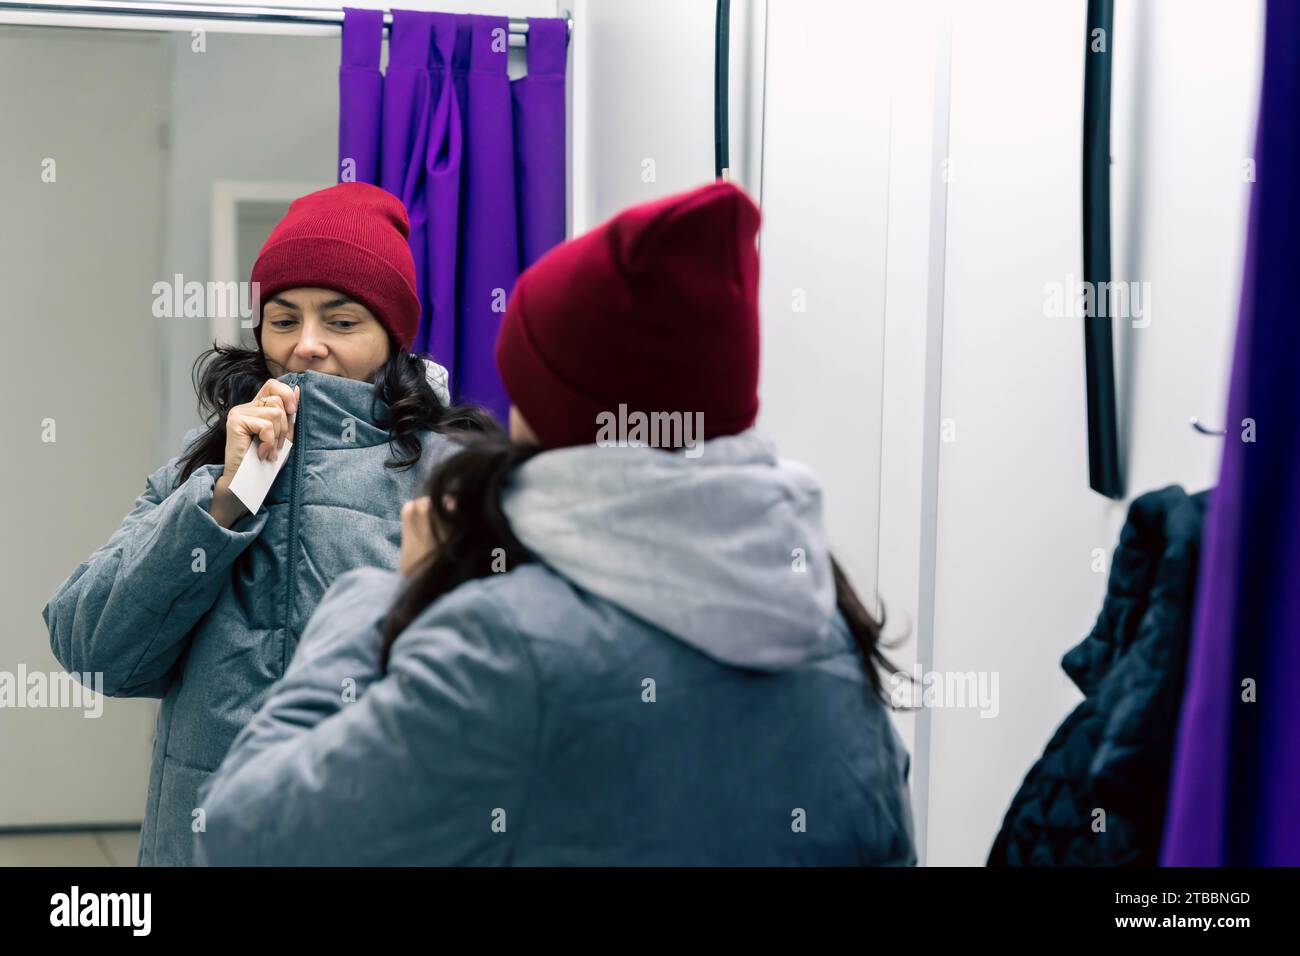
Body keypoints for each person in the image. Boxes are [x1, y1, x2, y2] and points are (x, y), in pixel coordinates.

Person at [196, 181, 918, 865]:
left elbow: (246, 835)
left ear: (551, 408)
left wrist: (381, 600)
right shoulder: (825, 629)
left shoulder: (502, 645)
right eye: (283, 318)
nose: (306, 344)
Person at [43, 182, 489, 865]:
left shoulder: (452, 477)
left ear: (392, 336)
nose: (307, 346)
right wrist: (220, 503)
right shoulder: (201, 467)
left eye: (341, 322)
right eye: (284, 320)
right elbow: (94, 651)